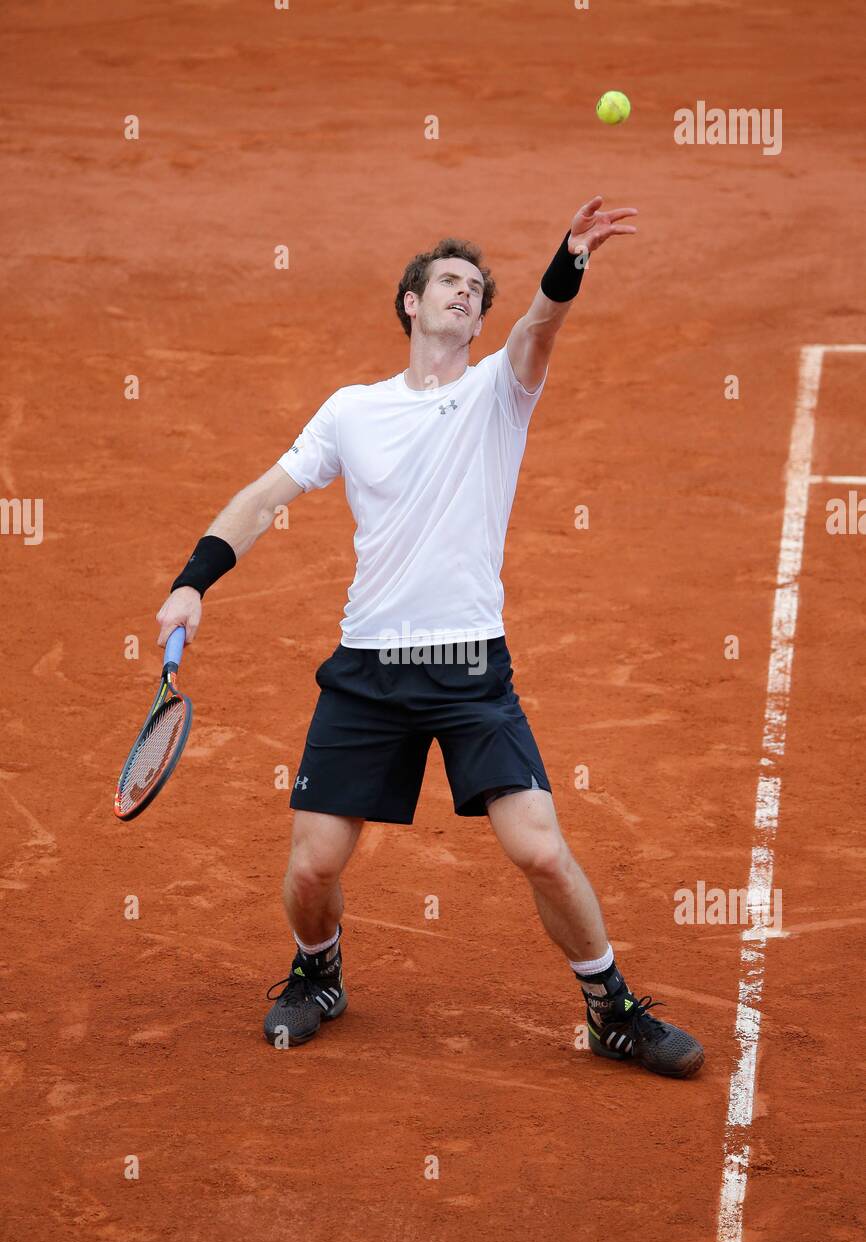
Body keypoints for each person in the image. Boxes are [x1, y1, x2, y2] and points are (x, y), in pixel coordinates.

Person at [157, 198, 704, 1079]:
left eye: (476, 290)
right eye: (449, 282)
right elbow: (263, 499)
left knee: (540, 852)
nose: (466, 295)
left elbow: (542, 319)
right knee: (311, 869)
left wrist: (570, 259)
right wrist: (191, 583)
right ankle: (320, 971)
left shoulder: (501, 388)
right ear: (410, 302)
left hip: (467, 665)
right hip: (367, 669)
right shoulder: (352, 411)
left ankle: (611, 1007)